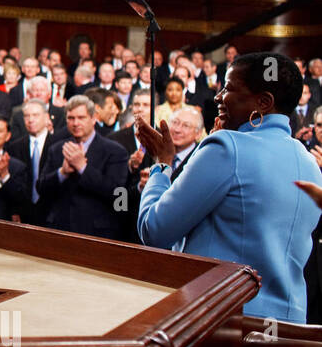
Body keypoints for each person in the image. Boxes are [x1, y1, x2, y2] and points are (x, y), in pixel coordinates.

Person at [137, 52, 322, 322]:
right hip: (286, 328)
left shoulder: (226, 147)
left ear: (263, 102)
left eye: (229, 88)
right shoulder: (311, 164)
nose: (218, 96)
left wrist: (161, 164)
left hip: (221, 319)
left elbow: (153, 230)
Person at [37, 94, 129, 238]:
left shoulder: (115, 151)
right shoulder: (56, 148)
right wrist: (62, 173)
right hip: (60, 230)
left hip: (98, 233)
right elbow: (41, 188)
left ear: (93, 119)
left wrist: (83, 169)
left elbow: (119, 195)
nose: (75, 123)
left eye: (81, 118)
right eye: (71, 118)